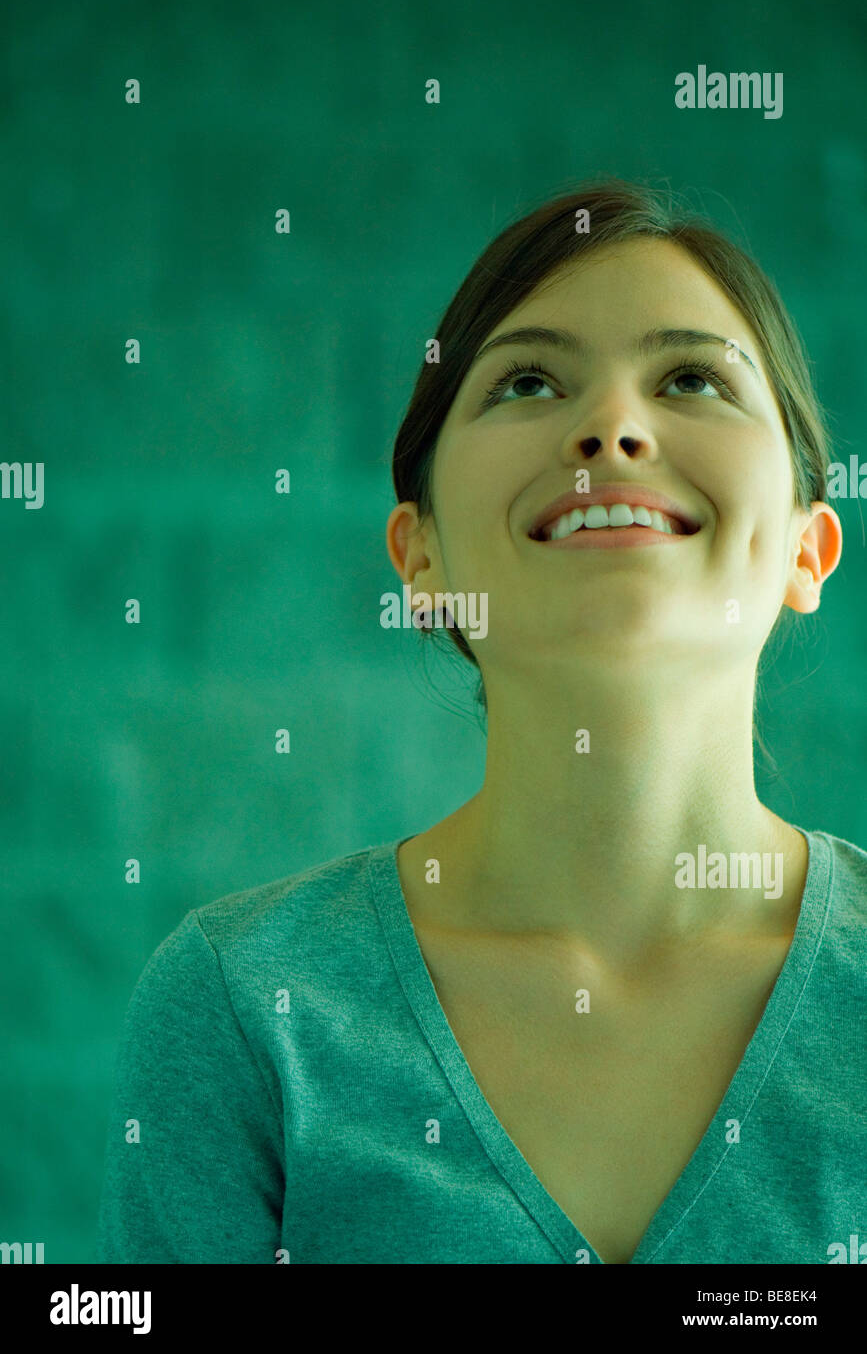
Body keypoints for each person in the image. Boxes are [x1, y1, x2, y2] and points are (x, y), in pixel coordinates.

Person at [97, 180, 864, 1265]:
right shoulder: (240, 1005)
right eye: (530, 380)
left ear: (806, 548)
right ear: (422, 558)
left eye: (691, 376)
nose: (612, 426)